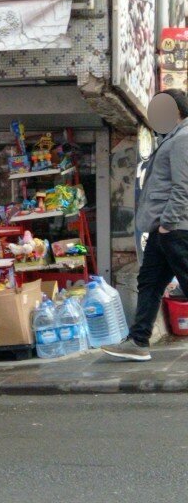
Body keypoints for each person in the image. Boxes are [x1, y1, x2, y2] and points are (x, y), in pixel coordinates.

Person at [103, 89, 188, 361]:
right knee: (149, 283)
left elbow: (183, 187)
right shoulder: (173, 138)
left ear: (176, 111)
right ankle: (138, 341)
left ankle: (138, 340)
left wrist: (168, 224)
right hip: (162, 229)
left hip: (174, 228)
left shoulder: (183, 139)